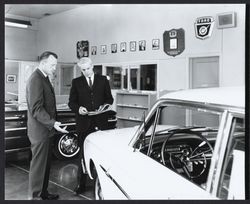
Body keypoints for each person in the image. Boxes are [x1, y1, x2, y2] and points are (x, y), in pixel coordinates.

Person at [26, 51, 68, 200]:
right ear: (43, 63)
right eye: (52, 65)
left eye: (55, 65)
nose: (54, 68)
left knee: (45, 165)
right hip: (40, 132)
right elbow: (36, 108)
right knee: (38, 166)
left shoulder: (43, 78)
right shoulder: (35, 79)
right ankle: (35, 196)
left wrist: (52, 124)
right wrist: (52, 123)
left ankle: (43, 192)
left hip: (46, 131)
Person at [68, 57, 113, 195]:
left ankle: (104, 182)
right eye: (83, 70)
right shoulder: (76, 82)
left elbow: (109, 98)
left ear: (92, 66)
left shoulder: (103, 80)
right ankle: (81, 184)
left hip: (101, 122)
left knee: (103, 153)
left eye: (88, 69)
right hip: (83, 124)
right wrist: (78, 108)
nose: (86, 72)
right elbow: (71, 103)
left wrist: (104, 106)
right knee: (83, 154)